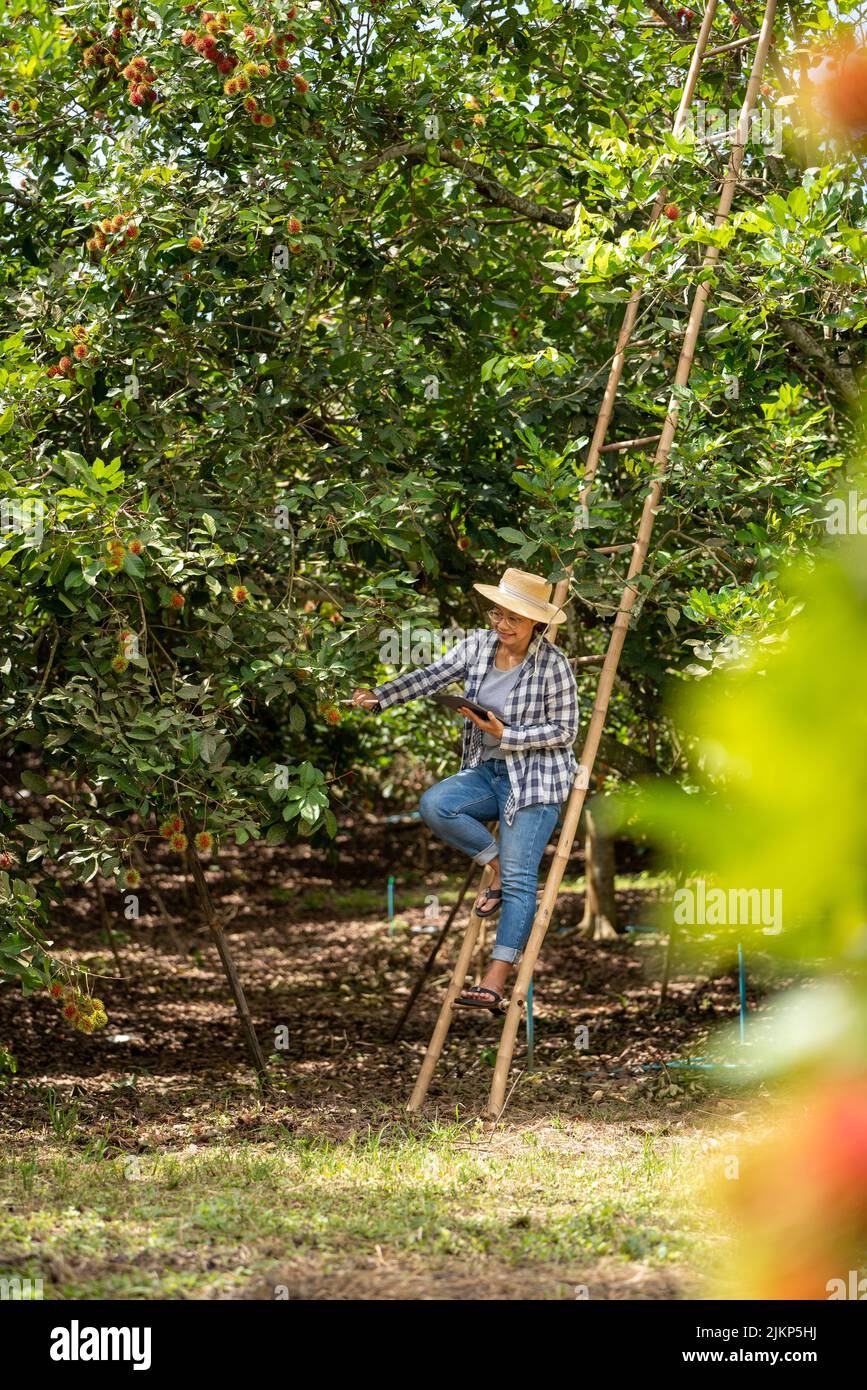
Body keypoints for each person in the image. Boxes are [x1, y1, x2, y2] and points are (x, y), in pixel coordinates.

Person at [352, 568, 580, 1010]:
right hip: (489, 772)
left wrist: (506, 732)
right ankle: (495, 866)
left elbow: (565, 730)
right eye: (499, 613)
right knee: (437, 804)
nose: (503, 624)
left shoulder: (554, 665)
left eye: (514, 617)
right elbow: (432, 676)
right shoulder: (478, 646)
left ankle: (494, 979)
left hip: (534, 780)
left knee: (520, 881)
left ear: (536, 623)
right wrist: (381, 696)